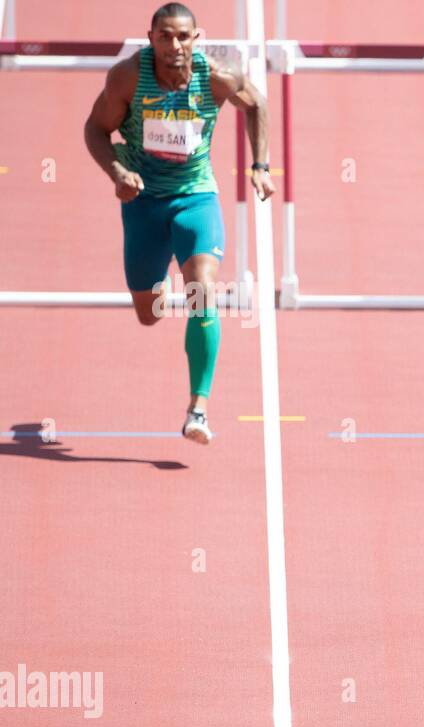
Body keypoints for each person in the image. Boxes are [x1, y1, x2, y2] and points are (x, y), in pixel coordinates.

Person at [84, 3, 275, 444]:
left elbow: (257, 104)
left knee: (202, 290)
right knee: (149, 315)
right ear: (150, 38)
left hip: (195, 197)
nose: (174, 46)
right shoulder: (129, 77)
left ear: (197, 38)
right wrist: (117, 173)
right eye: (165, 37)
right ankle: (161, 281)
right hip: (143, 202)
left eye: (183, 37)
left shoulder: (217, 77)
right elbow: (95, 129)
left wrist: (260, 165)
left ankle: (198, 409)